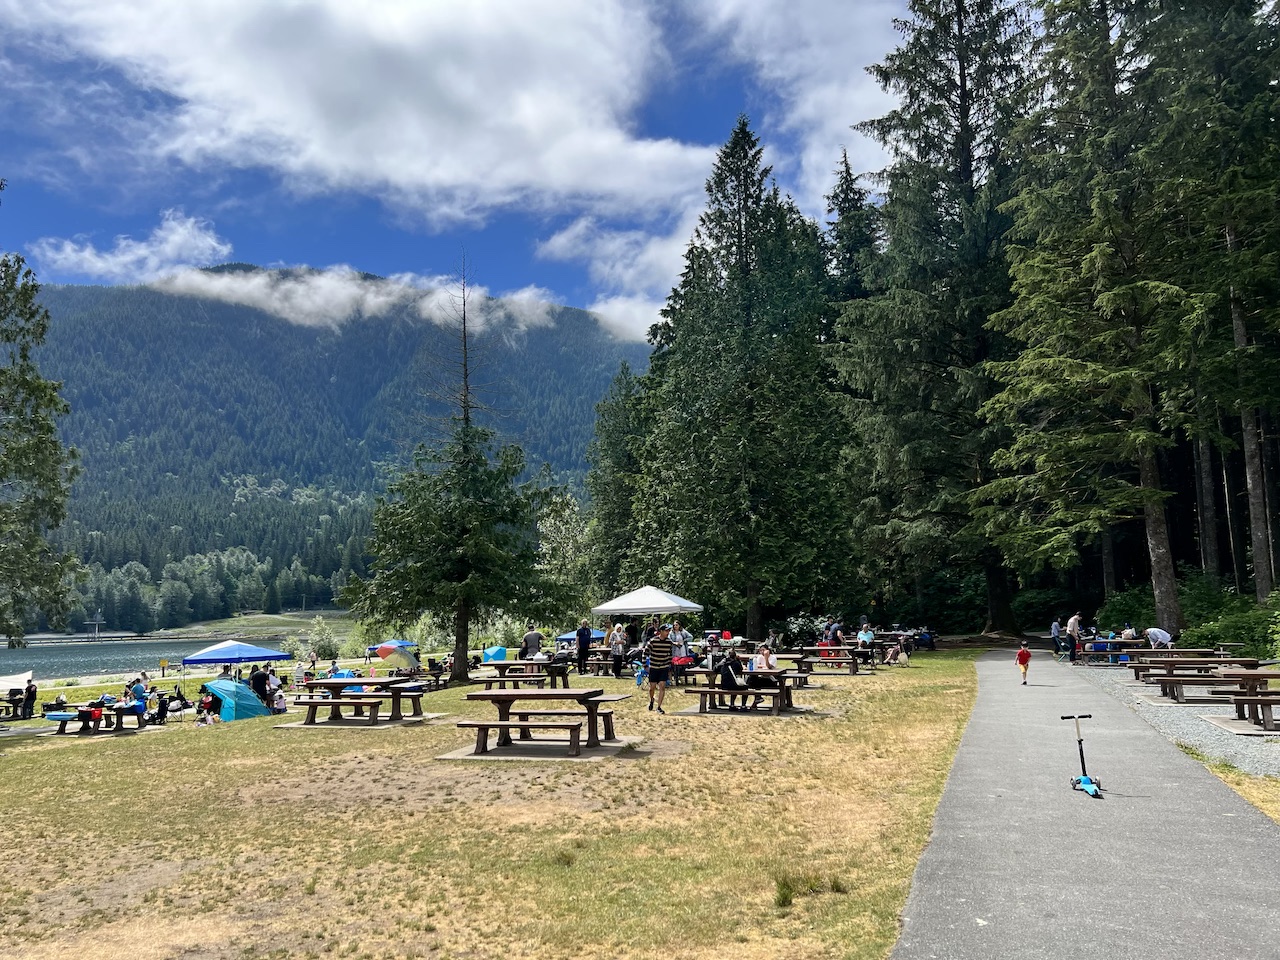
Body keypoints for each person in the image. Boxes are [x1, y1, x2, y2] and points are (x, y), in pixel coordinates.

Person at [646, 623, 674, 714]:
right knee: (652, 688)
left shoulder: (669, 642)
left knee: (662, 686)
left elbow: (670, 654)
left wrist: (669, 665)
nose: (668, 633)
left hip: (663, 667)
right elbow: (645, 653)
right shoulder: (653, 641)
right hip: (654, 667)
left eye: (669, 631)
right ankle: (651, 700)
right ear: (661, 631)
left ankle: (659, 707)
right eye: (666, 631)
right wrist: (645, 665)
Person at [747, 643, 779, 710]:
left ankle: (757, 699)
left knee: (753, 681)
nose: (762, 652)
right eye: (760, 650)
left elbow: (769, 667)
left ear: (768, 650)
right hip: (761, 678)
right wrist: (762, 666)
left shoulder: (773, 658)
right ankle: (758, 698)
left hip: (770, 679)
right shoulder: (759, 657)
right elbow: (756, 666)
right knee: (751, 678)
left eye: (763, 650)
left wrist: (766, 658)